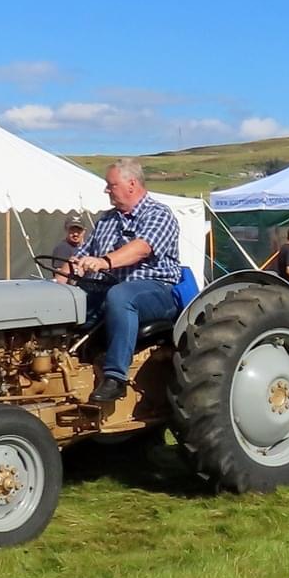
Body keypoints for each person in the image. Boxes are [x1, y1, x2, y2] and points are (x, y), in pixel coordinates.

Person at [66, 160, 184, 405]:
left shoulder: (159, 214)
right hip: (106, 289)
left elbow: (141, 249)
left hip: (154, 291)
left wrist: (104, 262)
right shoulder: (106, 220)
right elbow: (80, 257)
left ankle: (115, 377)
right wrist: (59, 279)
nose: (107, 190)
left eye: (111, 185)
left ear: (131, 184)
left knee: (121, 296)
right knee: (68, 301)